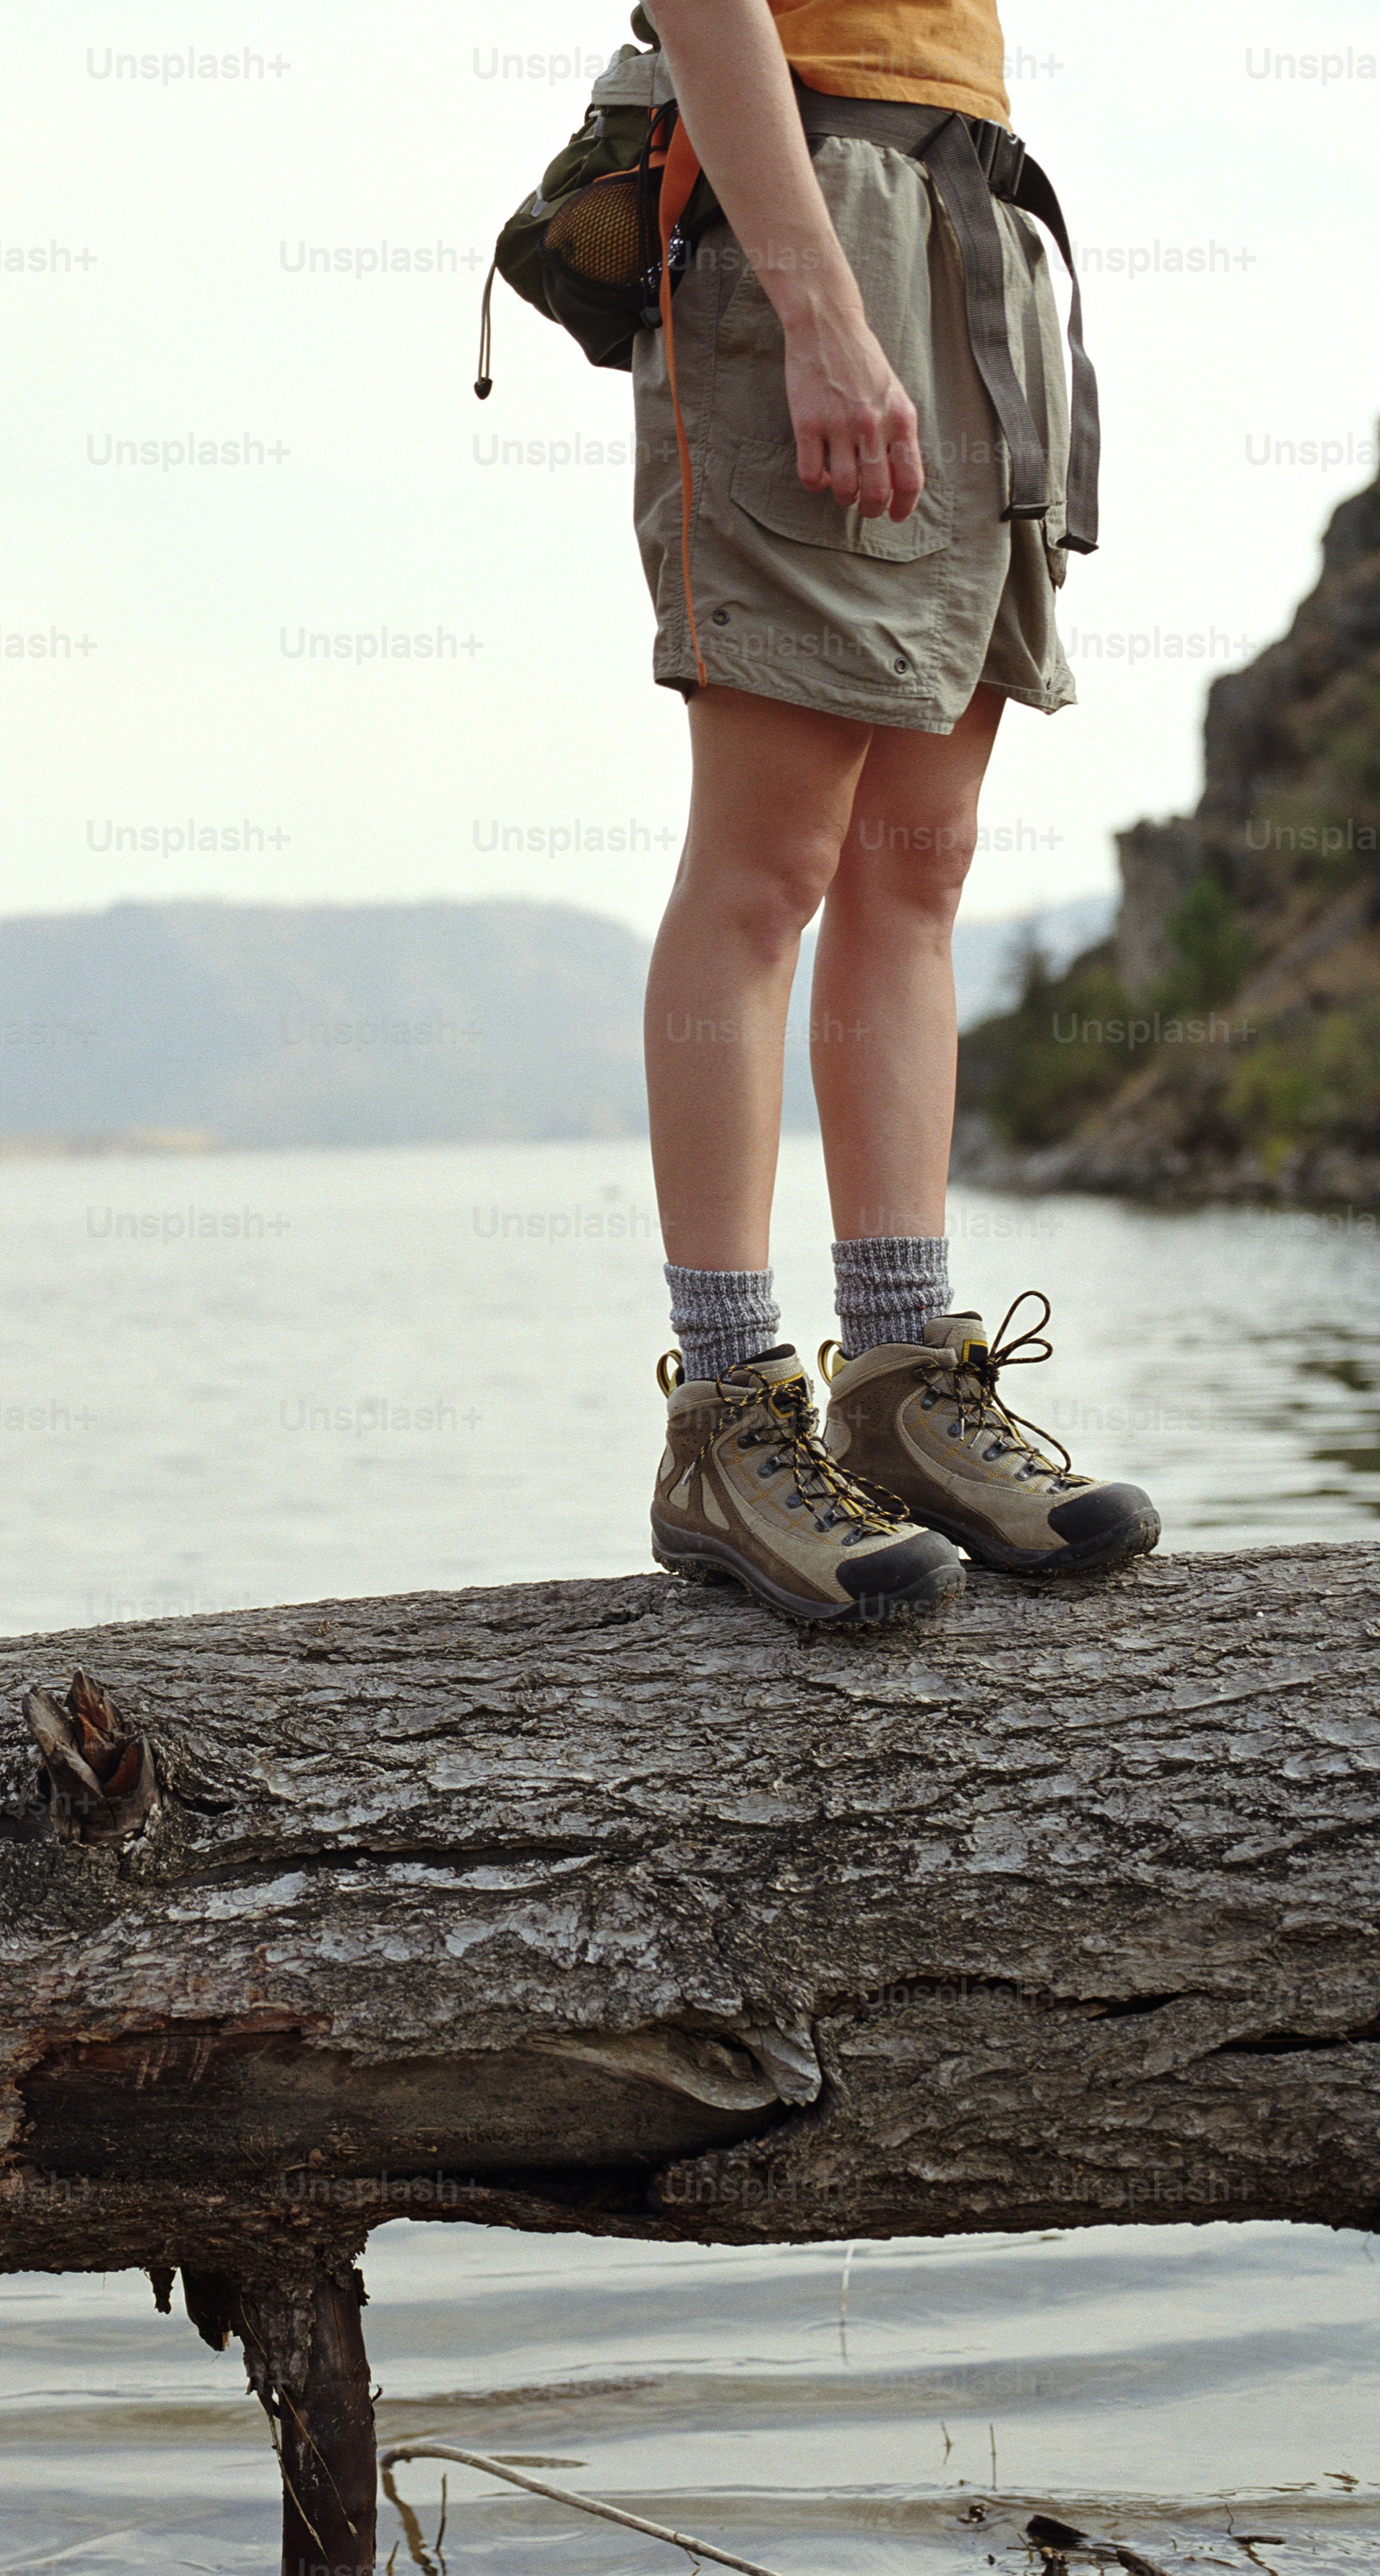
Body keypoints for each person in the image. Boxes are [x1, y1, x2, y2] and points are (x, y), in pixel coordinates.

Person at [634, 0, 1159, 1624]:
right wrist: (816, 305)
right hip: (813, 200)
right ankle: (723, 1412)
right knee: (769, 862)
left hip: (972, 214)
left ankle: (904, 1383)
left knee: (915, 869)